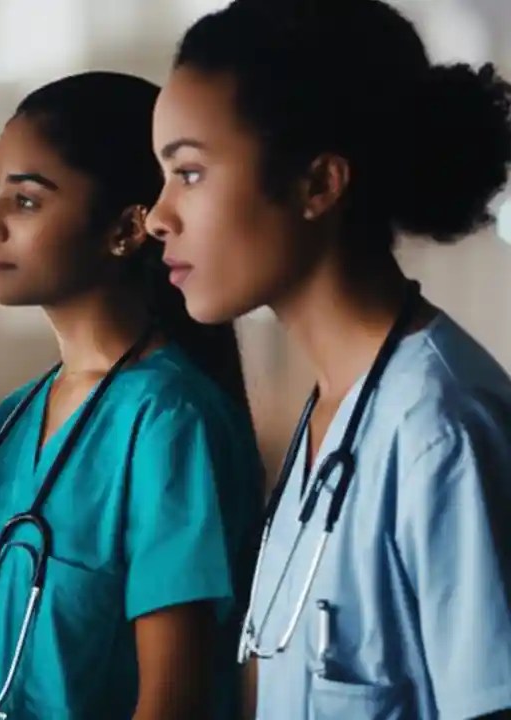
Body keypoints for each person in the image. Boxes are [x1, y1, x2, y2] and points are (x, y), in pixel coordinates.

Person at [147, 1, 511, 717]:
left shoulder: (441, 432)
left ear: (319, 184)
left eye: (188, 173)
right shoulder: (335, 414)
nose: (159, 216)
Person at [0, 72, 264, 719]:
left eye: (26, 200)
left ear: (127, 229)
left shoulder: (170, 423)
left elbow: (175, 702)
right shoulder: (14, 415)